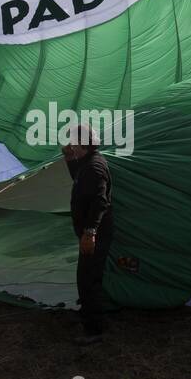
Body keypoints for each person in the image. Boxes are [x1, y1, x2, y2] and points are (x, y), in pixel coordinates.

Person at [62, 124, 113, 343]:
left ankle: (94, 330)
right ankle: (88, 318)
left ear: (82, 143)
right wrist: (69, 158)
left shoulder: (95, 167)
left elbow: (100, 201)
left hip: (96, 233)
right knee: (87, 277)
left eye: (74, 141)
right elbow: (79, 179)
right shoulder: (87, 163)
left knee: (87, 279)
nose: (71, 144)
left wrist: (90, 232)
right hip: (90, 231)